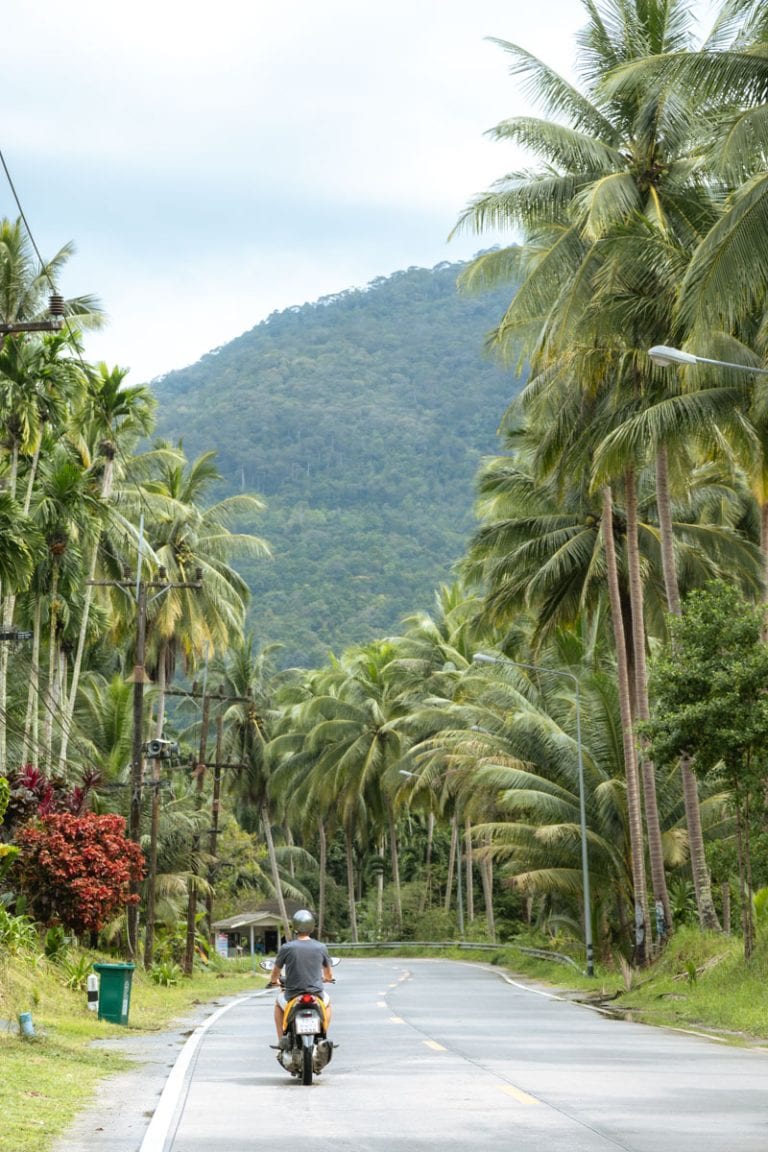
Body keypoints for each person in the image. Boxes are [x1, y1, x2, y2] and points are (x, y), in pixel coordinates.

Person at [269, 909, 334, 1047]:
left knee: (278, 1005)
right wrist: (327, 979)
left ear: (295, 927)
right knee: (327, 1003)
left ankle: (281, 1039)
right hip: (316, 994)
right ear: (312, 927)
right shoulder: (321, 947)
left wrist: (274, 981)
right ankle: (324, 1034)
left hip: (292, 995)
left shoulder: (286, 948)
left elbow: (275, 972)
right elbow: (328, 974)